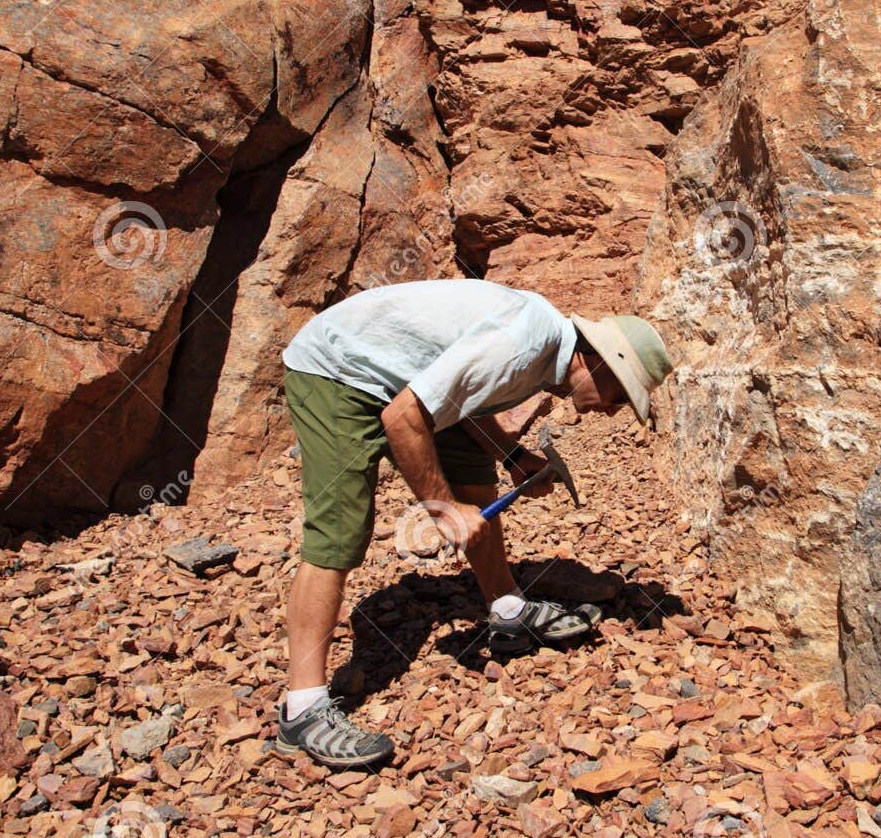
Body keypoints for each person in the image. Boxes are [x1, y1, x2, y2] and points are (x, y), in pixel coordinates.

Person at [273, 278, 674, 769]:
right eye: (619, 394)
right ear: (597, 360)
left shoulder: (541, 357)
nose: (614, 410)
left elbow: (459, 397)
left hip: (404, 378)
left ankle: (507, 610)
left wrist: (513, 454)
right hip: (339, 370)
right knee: (340, 531)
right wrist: (441, 508)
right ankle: (303, 710)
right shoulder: (521, 347)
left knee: (474, 477)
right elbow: (403, 418)